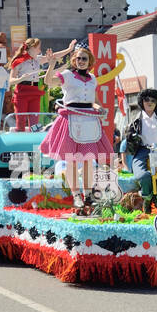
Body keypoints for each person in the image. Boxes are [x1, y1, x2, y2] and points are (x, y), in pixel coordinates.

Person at [38, 46, 118, 213]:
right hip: (71, 119)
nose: (81, 61)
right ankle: (76, 195)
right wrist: (51, 65)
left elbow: (93, 101)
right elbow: (48, 82)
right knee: (72, 161)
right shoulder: (67, 75)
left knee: (89, 160)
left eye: (85, 59)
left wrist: (100, 107)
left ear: (89, 62)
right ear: (74, 60)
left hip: (89, 119)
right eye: (79, 58)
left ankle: (88, 194)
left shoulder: (93, 79)